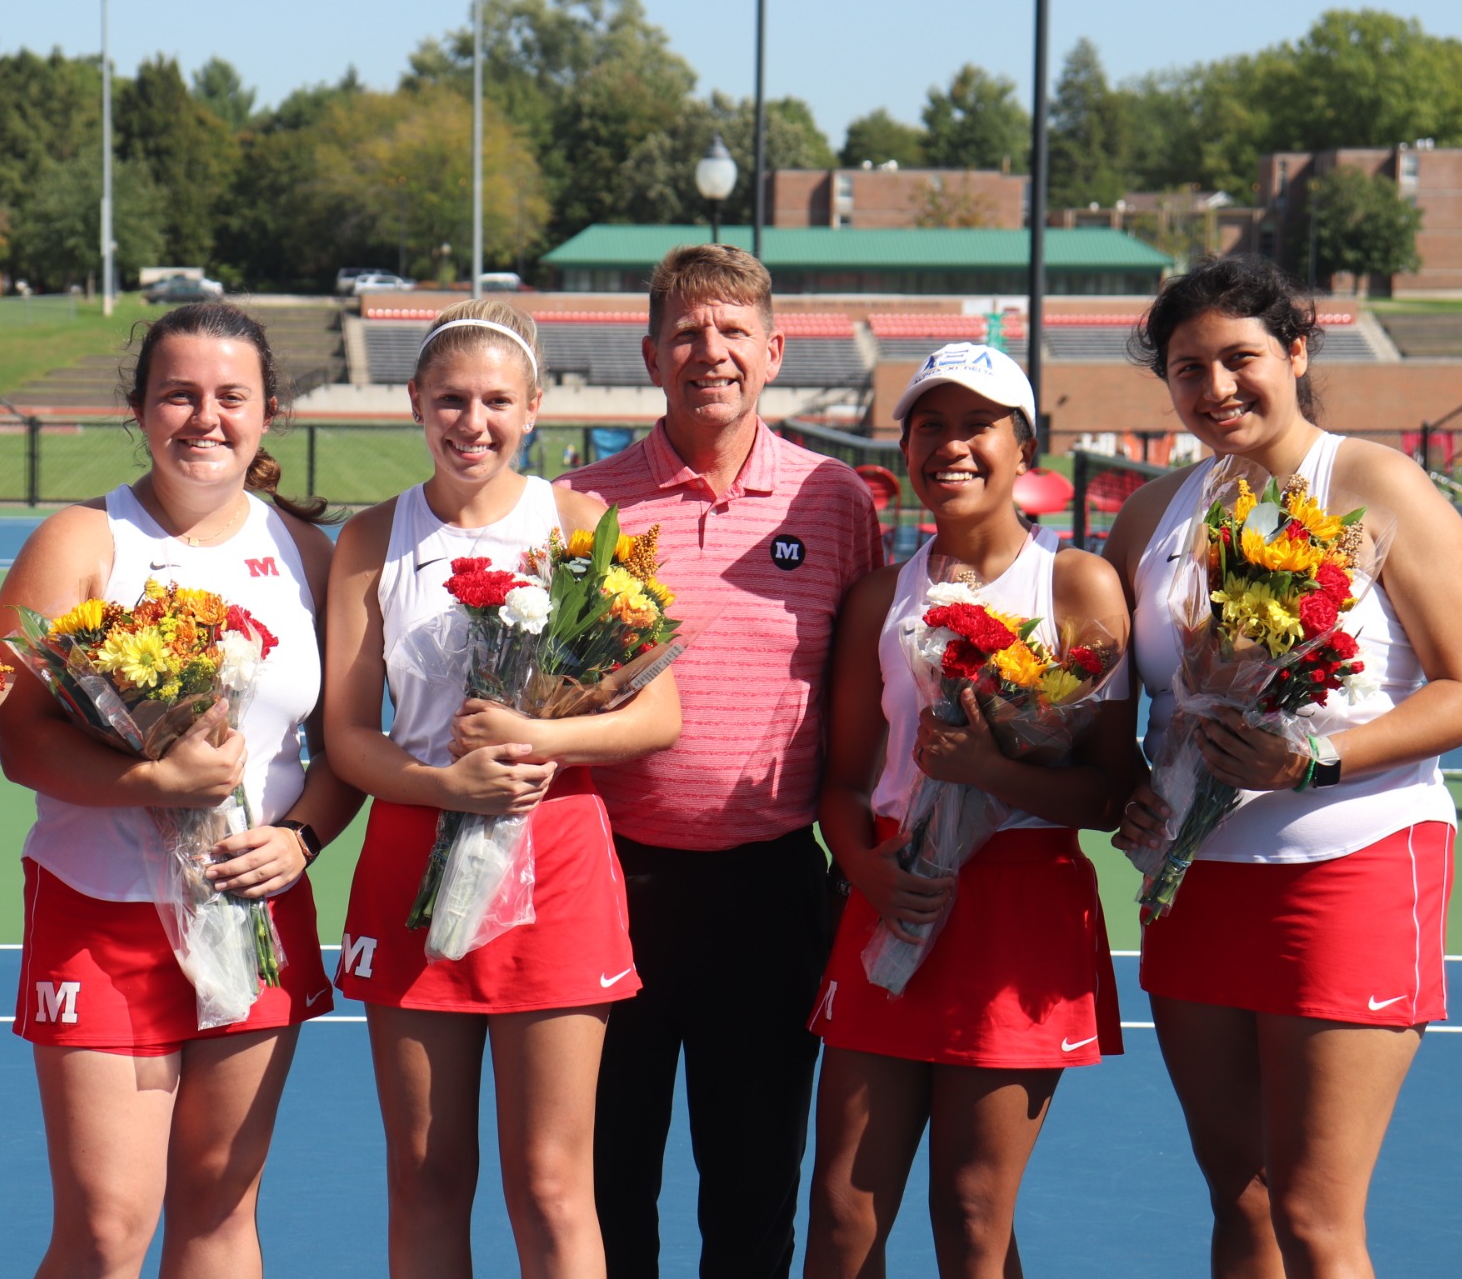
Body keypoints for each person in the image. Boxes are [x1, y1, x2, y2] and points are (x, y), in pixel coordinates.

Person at [1104, 254, 1462, 1276]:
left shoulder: (1373, 484)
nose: (1214, 387)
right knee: (1237, 1201)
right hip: (1191, 886)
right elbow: (1115, 711)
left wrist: (1315, 758)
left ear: (1294, 349)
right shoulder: (1148, 518)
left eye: (1239, 358)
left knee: (1315, 1219)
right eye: (1186, 368)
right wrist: (1124, 795)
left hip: (1350, 868)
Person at [0, 302, 361, 1279]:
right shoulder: (79, 541)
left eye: (230, 396)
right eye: (179, 395)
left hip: (253, 910)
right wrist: (151, 778)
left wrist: (305, 838)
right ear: (140, 408)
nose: (205, 416)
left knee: (219, 1209)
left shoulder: (310, 558)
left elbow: (343, 751)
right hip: (98, 915)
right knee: (108, 1226)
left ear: (269, 411)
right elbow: (20, 739)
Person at [324, 299, 681, 1278]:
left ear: (531, 408)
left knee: (552, 1182)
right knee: (426, 1174)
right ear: (414, 402)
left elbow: (655, 716)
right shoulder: (370, 539)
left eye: (493, 401)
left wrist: (534, 733)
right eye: (449, 399)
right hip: (411, 866)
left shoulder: (576, 526)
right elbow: (349, 736)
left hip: (553, 864)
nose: (470, 421)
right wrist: (446, 781)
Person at [560, 244, 883, 1278]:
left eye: (733, 330)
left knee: (751, 1193)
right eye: (688, 333)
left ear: (773, 350)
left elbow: (865, 690)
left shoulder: (832, 499)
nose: (712, 351)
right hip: (605, 884)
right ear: (651, 354)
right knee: (607, 1189)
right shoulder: (579, 505)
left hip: (769, 891)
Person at [802, 345, 1137, 1277]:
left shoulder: (1077, 586)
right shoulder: (879, 597)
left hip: (1021, 912)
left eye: (977, 424)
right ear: (907, 445)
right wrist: (861, 864)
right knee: (840, 1215)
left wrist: (994, 769)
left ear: (1023, 447)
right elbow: (842, 781)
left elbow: (1115, 792)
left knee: (973, 1212)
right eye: (931, 425)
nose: (952, 445)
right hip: (892, 896)